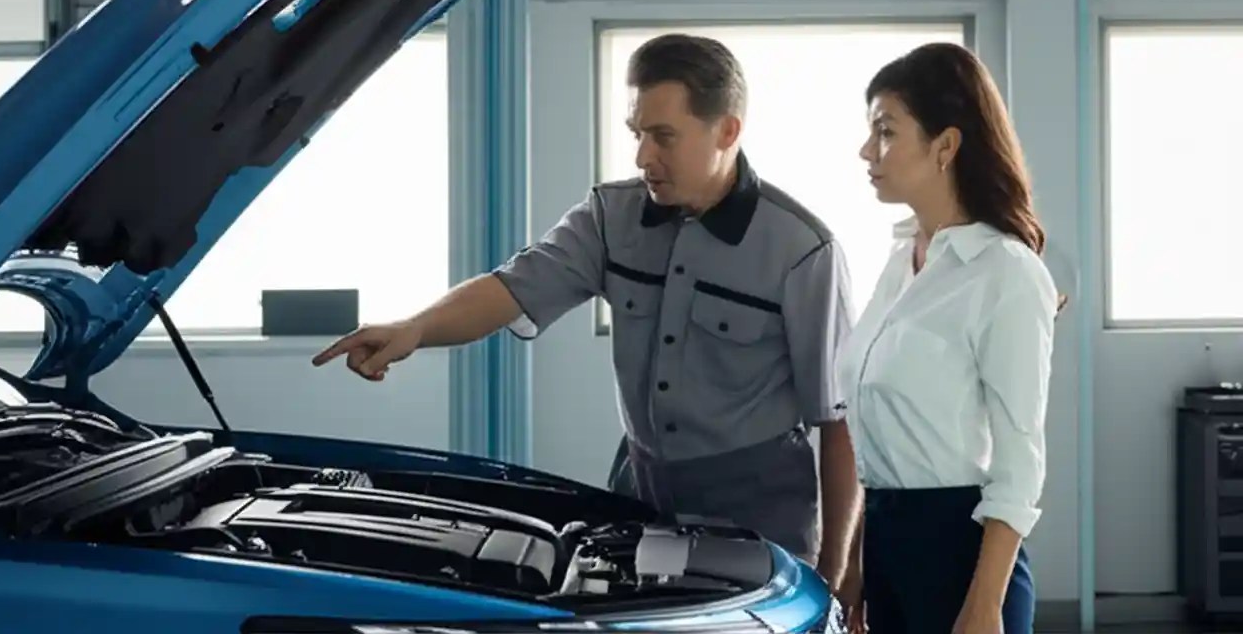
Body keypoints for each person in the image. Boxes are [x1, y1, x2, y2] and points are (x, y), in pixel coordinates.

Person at [311, 33, 861, 586]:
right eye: (637, 134)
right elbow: (510, 289)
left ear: (727, 131)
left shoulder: (802, 252)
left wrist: (837, 572)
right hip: (639, 496)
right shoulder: (609, 217)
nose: (643, 157)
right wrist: (415, 328)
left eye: (664, 136)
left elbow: (838, 425)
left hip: (759, 515)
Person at [832, 41, 1061, 634]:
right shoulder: (900, 260)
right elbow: (879, 432)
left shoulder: (1005, 271)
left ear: (946, 146)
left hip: (961, 556)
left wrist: (984, 604)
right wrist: (857, 557)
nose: (867, 150)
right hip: (885, 548)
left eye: (886, 131)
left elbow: (1019, 463)